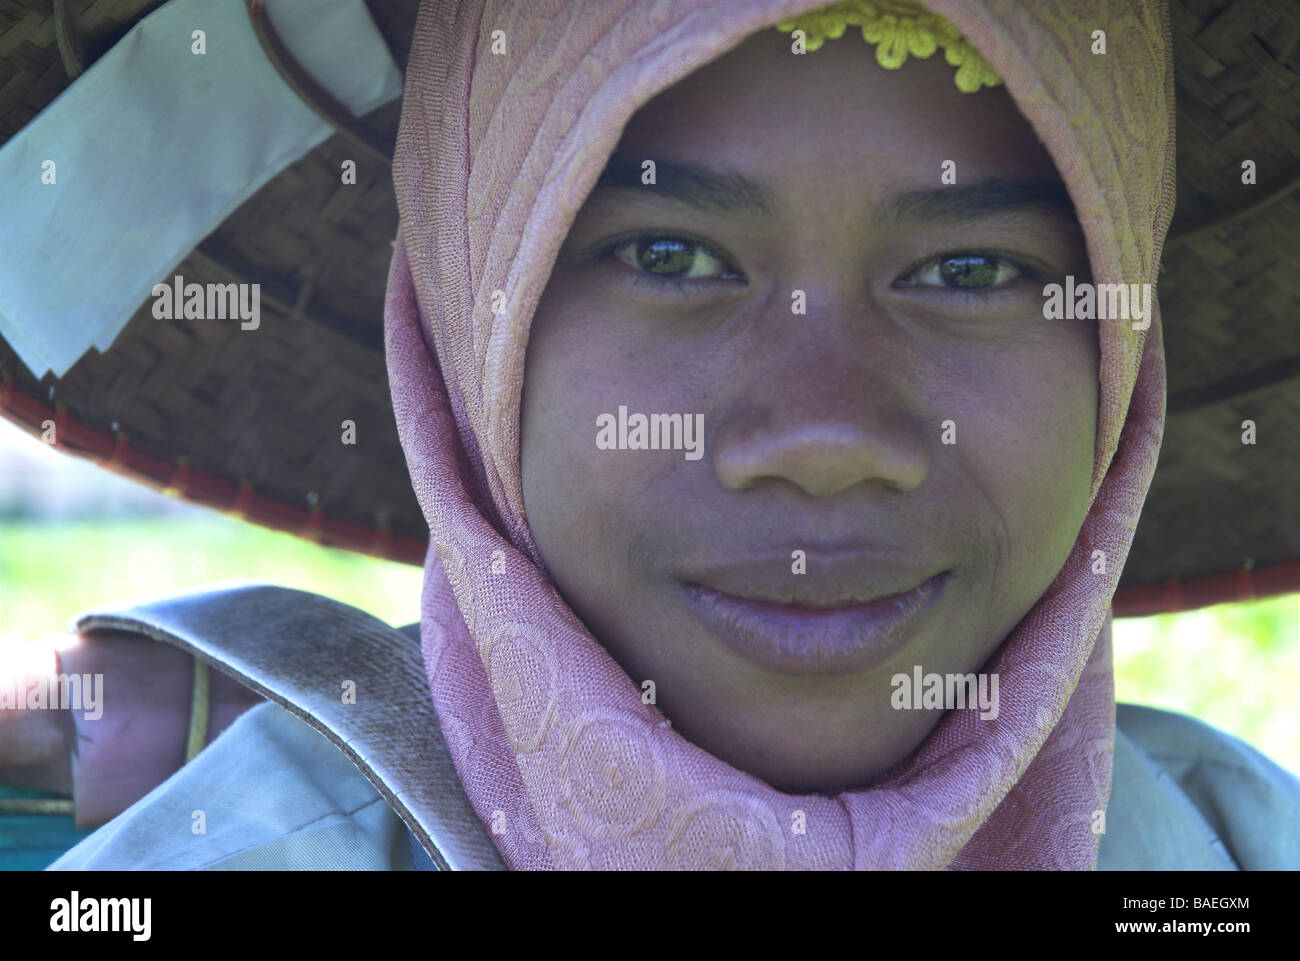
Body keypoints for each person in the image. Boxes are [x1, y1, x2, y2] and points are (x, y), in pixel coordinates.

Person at [8, 0, 1297, 870]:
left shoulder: (1235, 843)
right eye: (670, 254)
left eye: (970, 271)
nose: (823, 436)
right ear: (468, 332)